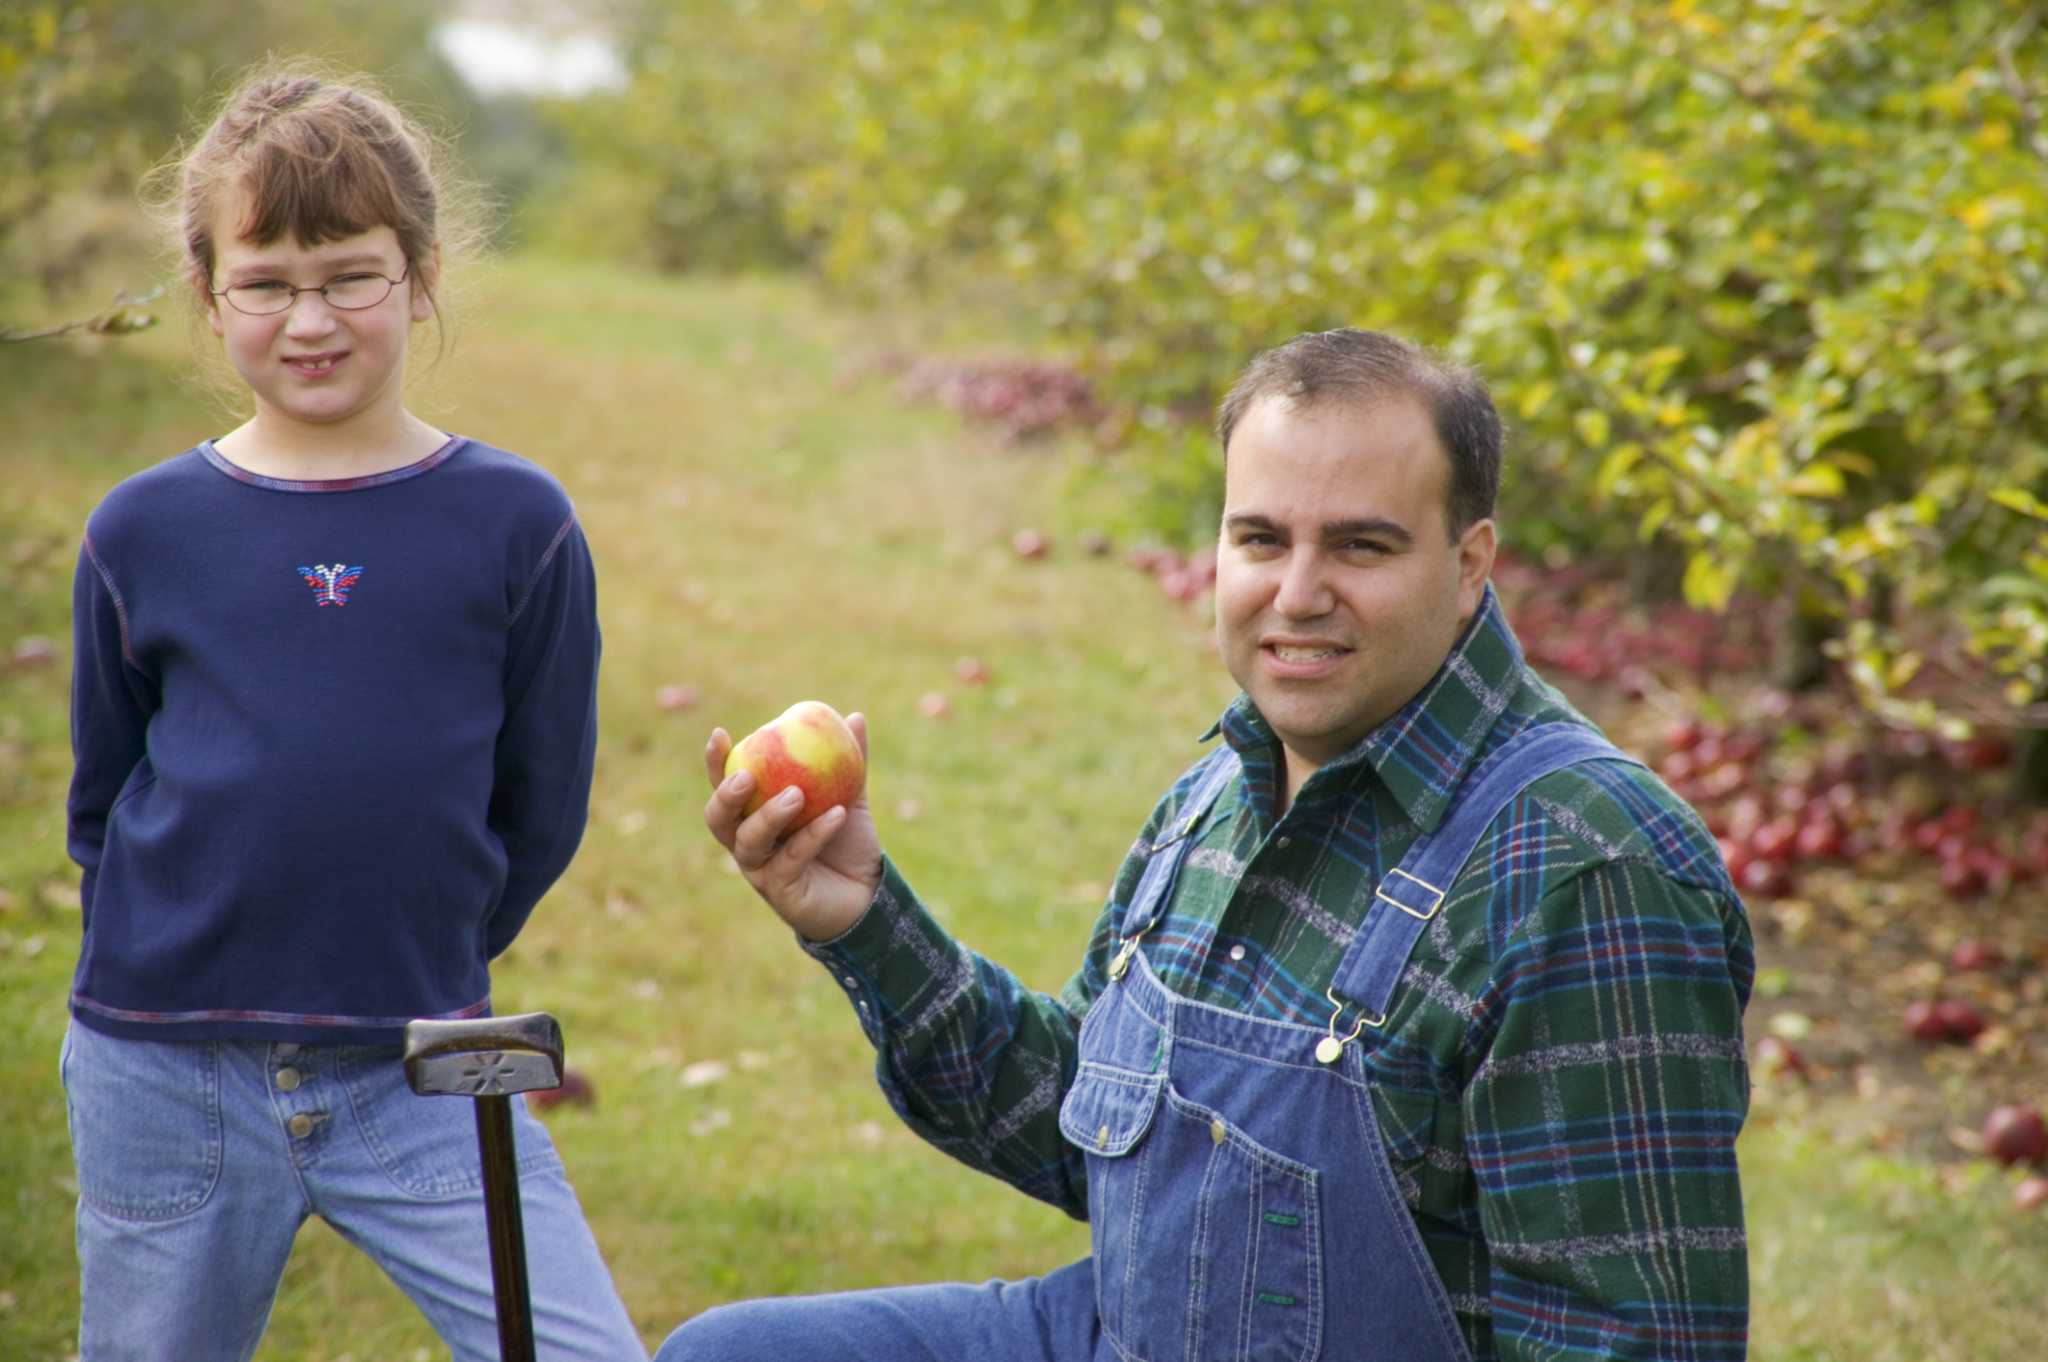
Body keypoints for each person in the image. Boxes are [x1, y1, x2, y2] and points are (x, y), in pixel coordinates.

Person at [674, 328, 1754, 1362]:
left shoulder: (1586, 869)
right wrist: (863, 921)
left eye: (1360, 545)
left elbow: (1629, 1341)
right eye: (1260, 539)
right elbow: (1084, 1135)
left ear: (1469, 563)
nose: (1296, 595)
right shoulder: (1219, 795)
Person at [63, 64, 646, 1361]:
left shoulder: (516, 523)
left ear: (420, 274)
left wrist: (417, 940)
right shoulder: (143, 530)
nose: (307, 317)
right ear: (210, 297)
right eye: (265, 282)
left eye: (348, 275)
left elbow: (537, 802)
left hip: (421, 1066)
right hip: (169, 1074)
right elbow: (105, 801)